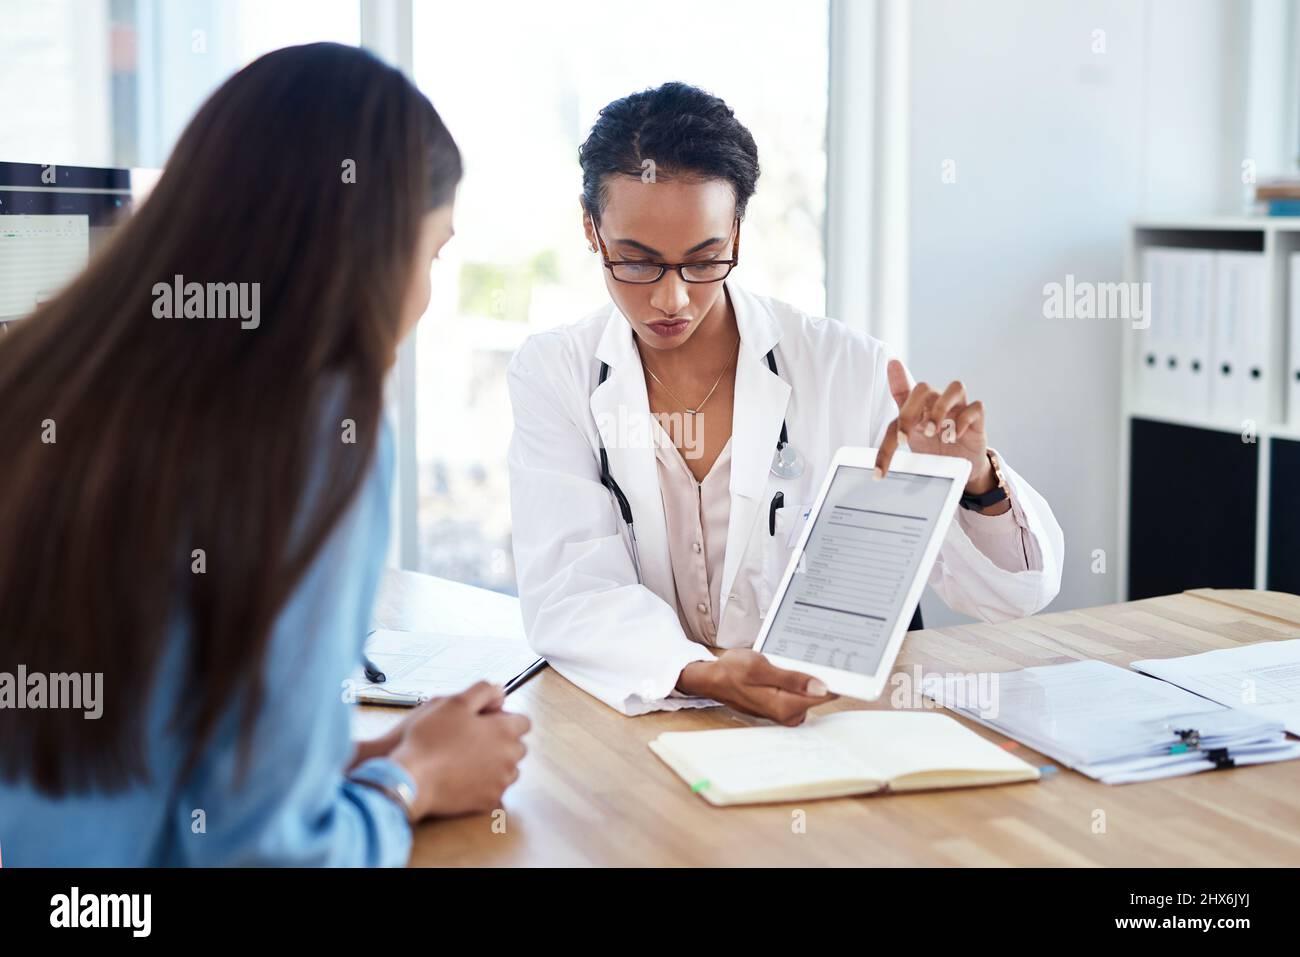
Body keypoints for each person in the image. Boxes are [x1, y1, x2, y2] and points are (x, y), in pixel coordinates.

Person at [0, 43, 528, 866]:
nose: (424, 294)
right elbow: (266, 856)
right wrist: (410, 784)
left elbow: (143, 762)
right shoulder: (312, 429)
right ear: (375, 248)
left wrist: (344, 760)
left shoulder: (42, 373)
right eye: (431, 253)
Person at [507, 82, 1063, 725]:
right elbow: (570, 592)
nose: (672, 300)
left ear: (736, 229)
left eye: (705, 259)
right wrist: (701, 670)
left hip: (829, 724)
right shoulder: (555, 373)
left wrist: (971, 480)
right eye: (636, 262)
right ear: (590, 229)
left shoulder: (847, 368)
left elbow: (1015, 596)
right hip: (653, 716)